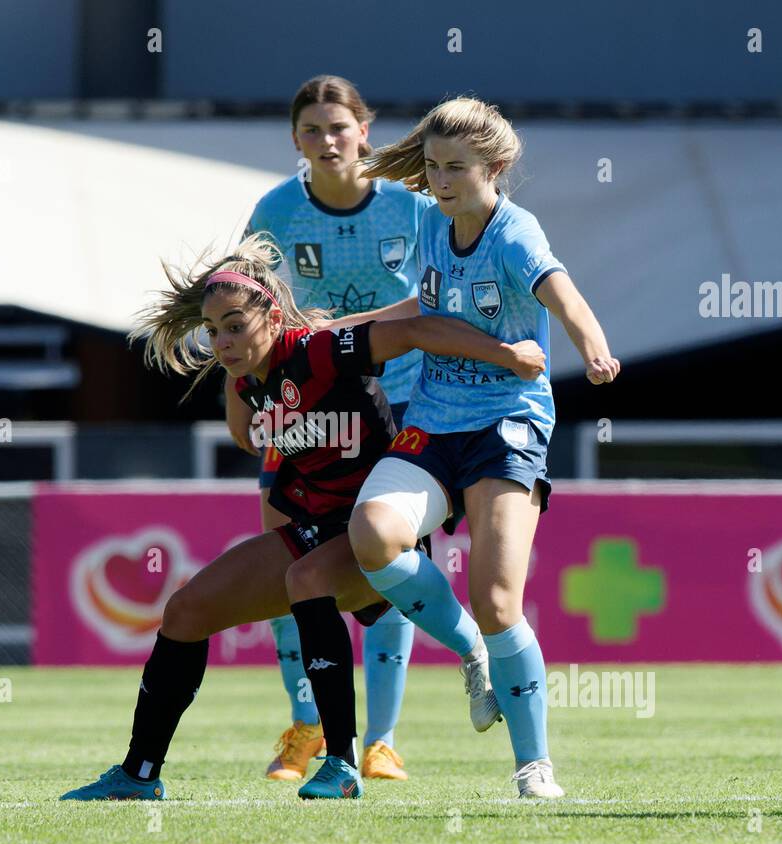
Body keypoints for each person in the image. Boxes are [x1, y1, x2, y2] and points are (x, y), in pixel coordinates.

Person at [60, 233, 546, 801]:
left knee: (306, 580)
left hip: (378, 528)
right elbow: (247, 433)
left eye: (235, 325)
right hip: (317, 529)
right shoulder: (245, 379)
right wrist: (239, 394)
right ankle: (138, 775)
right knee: (185, 610)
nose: (222, 340)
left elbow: (414, 330)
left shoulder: (320, 350)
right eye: (213, 329)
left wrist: (507, 355)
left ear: (271, 314)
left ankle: (341, 764)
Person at [345, 97, 621, 799]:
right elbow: (420, 311)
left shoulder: (515, 234)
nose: (439, 180)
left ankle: (534, 765)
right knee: (372, 536)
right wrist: (337, 328)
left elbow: (565, 295)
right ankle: (466, 646)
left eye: (455, 168)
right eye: (433, 167)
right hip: (435, 419)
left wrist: (593, 348)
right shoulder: (433, 230)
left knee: (500, 601)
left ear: (494, 167)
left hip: (508, 422)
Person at [223, 75, 452, 783]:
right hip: (304, 408)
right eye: (313, 130)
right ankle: (307, 727)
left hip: (397, 408)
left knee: (382, 568)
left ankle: (381, 740)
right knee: (287, 562)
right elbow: (246, 301)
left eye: (339, 127)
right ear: (296, 139)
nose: (328, 140)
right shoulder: (276, 210)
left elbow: (436, 296)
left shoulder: (413, 208)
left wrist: (352, 329)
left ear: (365, 131)